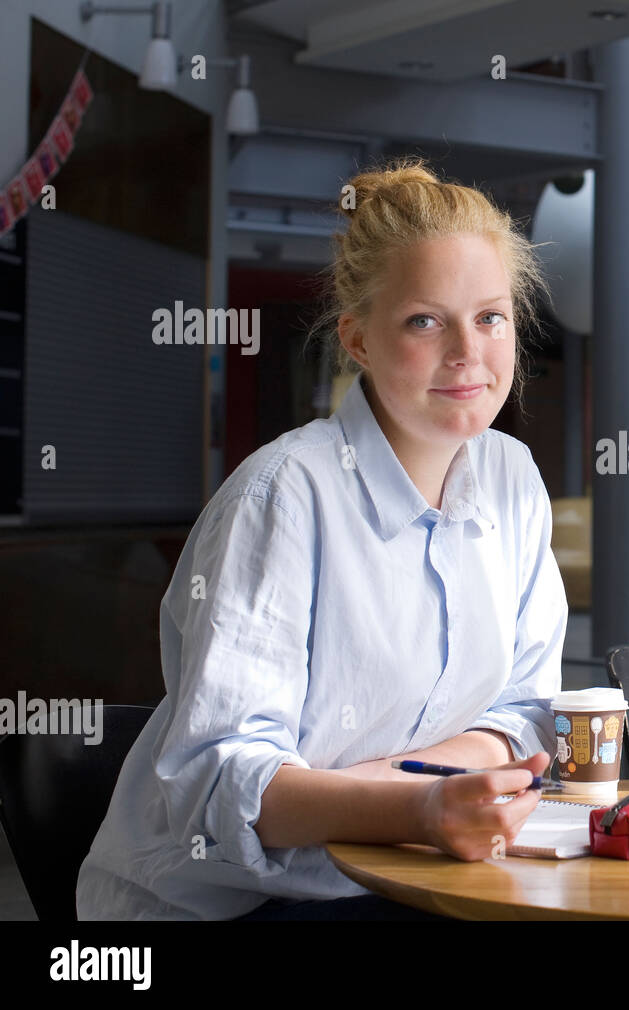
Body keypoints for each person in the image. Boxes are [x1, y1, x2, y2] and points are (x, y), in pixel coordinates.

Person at [76, 160, 566, 919]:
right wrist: (418, 807)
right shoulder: (282, 496)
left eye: (491, 316)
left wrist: (400, 782)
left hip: (409, 873)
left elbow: (526, 709)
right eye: (424, 321)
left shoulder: (513, 477)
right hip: (234, 900)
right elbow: (219, 783)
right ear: (358, 341)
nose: (469, 351)